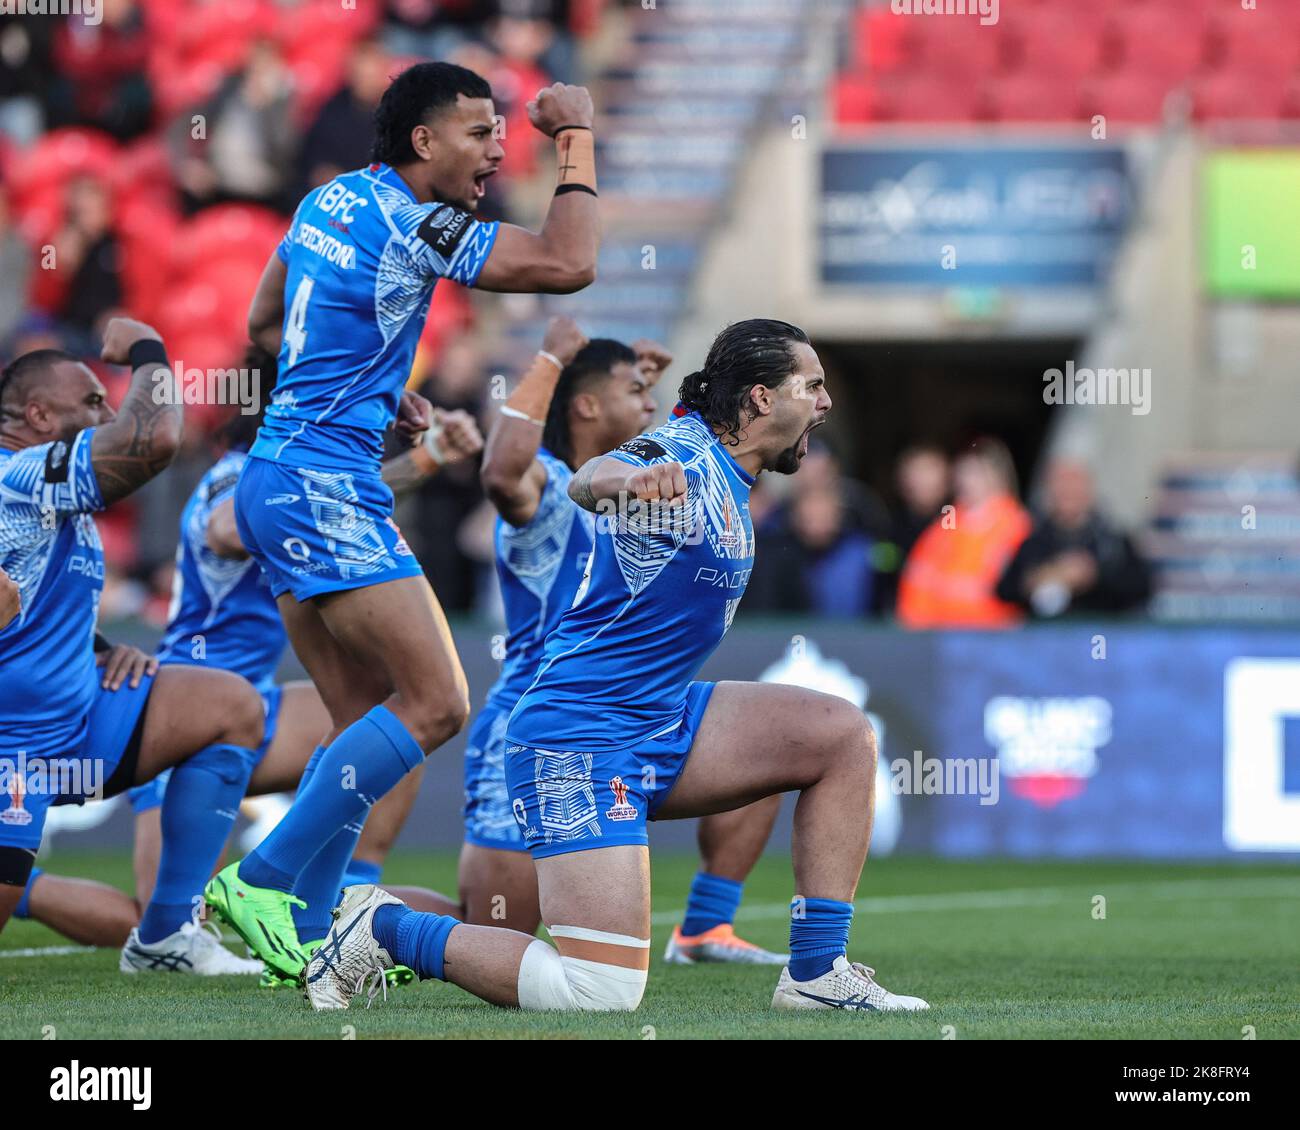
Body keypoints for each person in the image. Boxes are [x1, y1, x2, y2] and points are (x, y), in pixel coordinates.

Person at [306, 319, 929, 1014]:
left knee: (841, 736)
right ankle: (381, 927)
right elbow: (591, 479)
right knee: (598, 991)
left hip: (661, 717)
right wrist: (627, 481)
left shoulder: (723, 459)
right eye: (811, 385)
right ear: (759, 399)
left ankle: (815, 973)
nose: (825, 402)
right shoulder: (683, 456)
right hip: (578, 736)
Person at [204, 61, 602, 983]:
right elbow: (568, 262)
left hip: (271, 476)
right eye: (479, 131)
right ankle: (261, 878)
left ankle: (302, 934)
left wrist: (371, 391)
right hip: (324, 486)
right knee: (438, 704)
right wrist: (575, 136)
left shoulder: (327, 200)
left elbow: (266, 324)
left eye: (505, 130)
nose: (498, 146)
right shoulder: (420, 222)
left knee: (361, 725)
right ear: (423, 142)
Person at [11, 368, 485, 985]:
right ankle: (28, 887)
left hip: (252, 702)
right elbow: (229, 528)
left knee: (394, 723)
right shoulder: (242, 473)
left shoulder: (293, 481)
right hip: (186, 709)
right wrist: (421, 463)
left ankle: (347, 893)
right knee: (162, 914)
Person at [469, 315, 784, 963]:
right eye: (634, 392)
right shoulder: (547, 484)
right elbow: (500, 474)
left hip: (631, 709)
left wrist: (653, 392)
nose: (652, 404)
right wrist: (551, 360)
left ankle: (705, 928)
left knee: (782, 743)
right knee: (503, 936)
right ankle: (359, 914)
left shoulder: (648, 479)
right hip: (545, 718)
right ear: (587, 405)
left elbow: (674, 450)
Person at [0, 319, 269, 974]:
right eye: (92, 401)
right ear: (37, 415)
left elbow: (30, 595)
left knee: (229, 705)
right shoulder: (21, 474)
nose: (110, 411)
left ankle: (167, 935)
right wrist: (150, 350)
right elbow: (154, 439)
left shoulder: (47, 493)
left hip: (80, 726)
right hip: (12, 755)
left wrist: (97, 644)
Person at [896, 437, 1031, 629]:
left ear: (997, 475)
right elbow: (919, 577)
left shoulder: (1016, 524)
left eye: (976, 472)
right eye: (963, 472)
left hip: (994, 635)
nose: (967, 480)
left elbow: (1014, 585)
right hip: (940, 636)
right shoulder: (947, 522)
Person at [996, 457, 1152, 618]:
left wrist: (1091, 576)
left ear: (1088, 488)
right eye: (1061, 483)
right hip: (1045, 638)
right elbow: (1004, 590)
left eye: (1074, 482)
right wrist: (1037, 578)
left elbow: (1142, 588)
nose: (1067, 490)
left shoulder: (1112, 541)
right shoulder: (1033, 540)